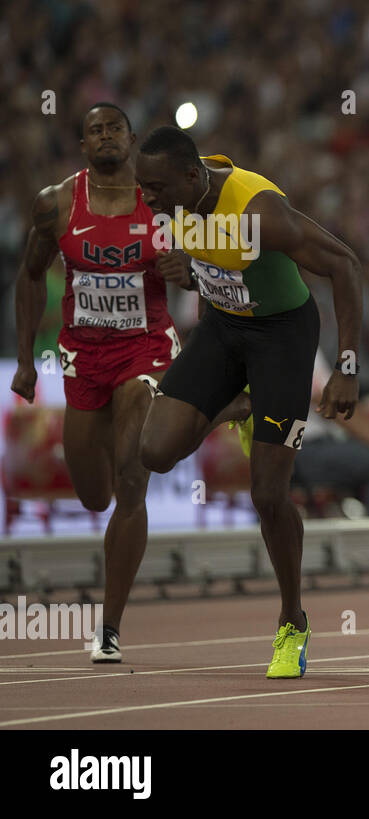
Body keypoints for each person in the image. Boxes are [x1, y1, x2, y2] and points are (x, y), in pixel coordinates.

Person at [9, 103, 248, 665]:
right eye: (94, 130)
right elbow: (29, 275)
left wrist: (187, 271)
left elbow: (217, 268)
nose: (105, 136)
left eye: (114, 127)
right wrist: (24, 359)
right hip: (82, 358)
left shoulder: (162, 203)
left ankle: (109, 625)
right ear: (83, 145)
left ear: (132, 139)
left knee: (132, 476)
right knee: (95, 495)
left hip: (147, 349)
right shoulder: (56, 204)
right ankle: (231, 406)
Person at [134, 126, 363, 678]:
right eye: (144, 189)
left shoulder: (259, 211)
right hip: (224, 329)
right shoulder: (179, 195)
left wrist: (348, 366)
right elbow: (219, 265)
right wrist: (190, 275)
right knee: (155, 450)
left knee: (267, 494)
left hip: (282, 337)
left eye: (157, 189)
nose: (149, 200)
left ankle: (292, 620)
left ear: (192, 177)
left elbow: (345, 265)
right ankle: (240, 405)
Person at [292, 349, 369, 517]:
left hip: (326, 441)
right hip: (299, 444)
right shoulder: (291, 338)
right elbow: (324, 400)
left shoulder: (308, 340)